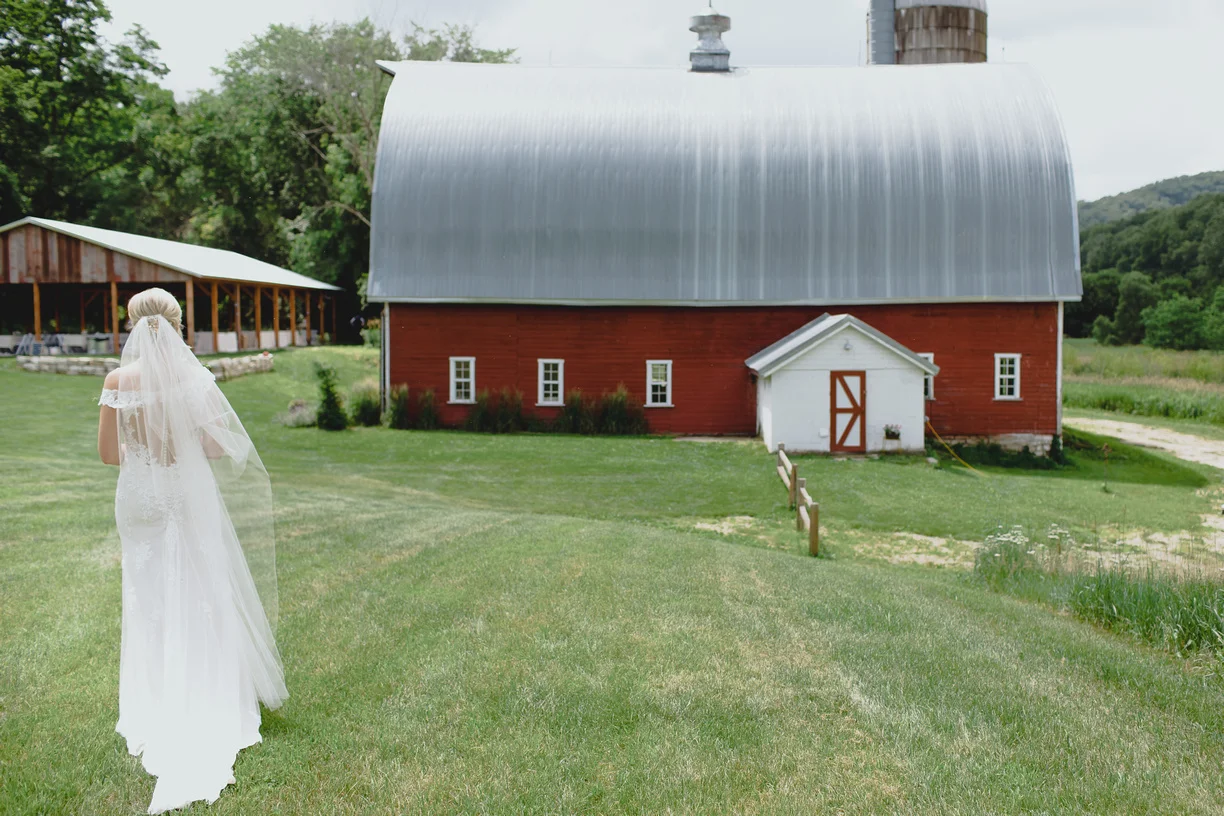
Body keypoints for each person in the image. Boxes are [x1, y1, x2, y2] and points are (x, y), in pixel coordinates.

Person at [97, 288, 287, 813]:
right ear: (177, 325)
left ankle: (155, 699)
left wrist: (140, 451)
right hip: (184, 492)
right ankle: (207, 689)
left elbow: (109, 455)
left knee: (147, 596)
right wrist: (182, 442)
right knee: (203, 588)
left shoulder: (116, 382)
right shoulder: (193, 378)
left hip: (140, 499)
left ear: (133, 327)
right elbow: (218, 445)